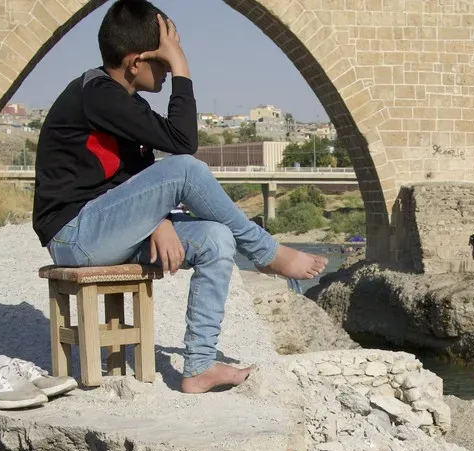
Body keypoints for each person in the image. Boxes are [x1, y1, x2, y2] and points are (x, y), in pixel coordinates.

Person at [32, 0, 326, 393]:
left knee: (216, 239)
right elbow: (184, 145)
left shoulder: (126, 105)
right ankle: (265, 252)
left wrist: (160, 219)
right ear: (136, 62)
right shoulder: (97, 94)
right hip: (75, 236)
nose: (171, 73)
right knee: (186, 168)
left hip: (109, 231)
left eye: (174, 66)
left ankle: (198, 367)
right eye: (165, 63)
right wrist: (185, 67)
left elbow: (135, 181)